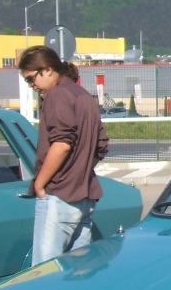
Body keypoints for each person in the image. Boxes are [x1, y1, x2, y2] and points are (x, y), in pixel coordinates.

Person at [18, 45, 109, 266]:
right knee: (78, 272)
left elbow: (62, 144)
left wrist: (40, 184)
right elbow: (101, 145)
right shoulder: (83, 95)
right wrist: (81, 169)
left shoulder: (57, 95)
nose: (32, 86)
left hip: (59, 195)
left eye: (31, 79)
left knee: (44, 274)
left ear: (47, 69)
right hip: (85, 195)